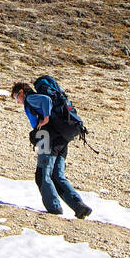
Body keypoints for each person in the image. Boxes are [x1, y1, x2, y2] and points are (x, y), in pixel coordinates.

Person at [10, 81, 92, 218]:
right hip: (62, 138)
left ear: (21, 92)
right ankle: (79, 206)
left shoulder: (30, 98)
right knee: (57, 175)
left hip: (48, 138)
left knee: (42, 174)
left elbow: (46, 100)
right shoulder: (36, 99)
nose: (17, 101)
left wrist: (46, 118)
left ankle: (54, 209)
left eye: (16, 97)